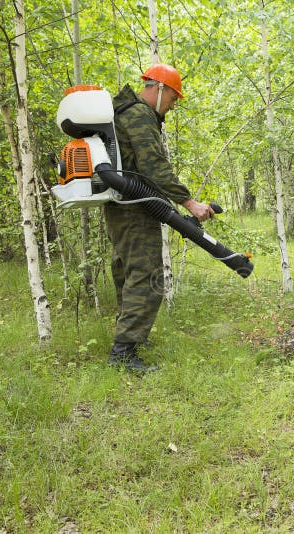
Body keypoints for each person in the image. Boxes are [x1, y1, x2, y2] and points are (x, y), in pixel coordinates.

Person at [105, 63, 215, 372]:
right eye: (173, 98)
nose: (173, 105)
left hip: (121, 204)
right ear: (160, 89)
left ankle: (128, 337)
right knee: (146, 274)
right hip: (134, 207)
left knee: (127, 270)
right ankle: (123, 352)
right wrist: (189, 202)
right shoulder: (139, 114)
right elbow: (153, 166)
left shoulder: (122, 110)